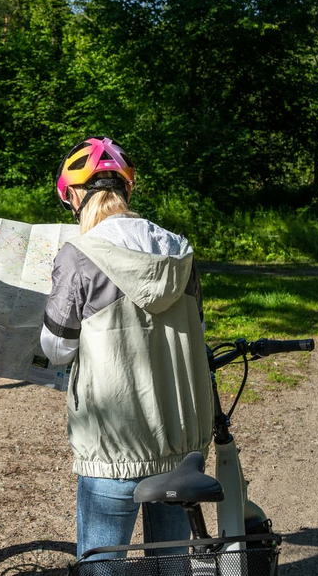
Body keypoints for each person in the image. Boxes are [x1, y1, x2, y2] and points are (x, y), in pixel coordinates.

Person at [39, 136, 215, 559]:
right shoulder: (180, 252)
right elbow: (196, 330)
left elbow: (57, 350)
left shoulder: (79, 256)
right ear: (126, 190)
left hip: (113, 446)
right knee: (172, 564)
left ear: (74, 196)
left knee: (103, 564)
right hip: (179, 444)